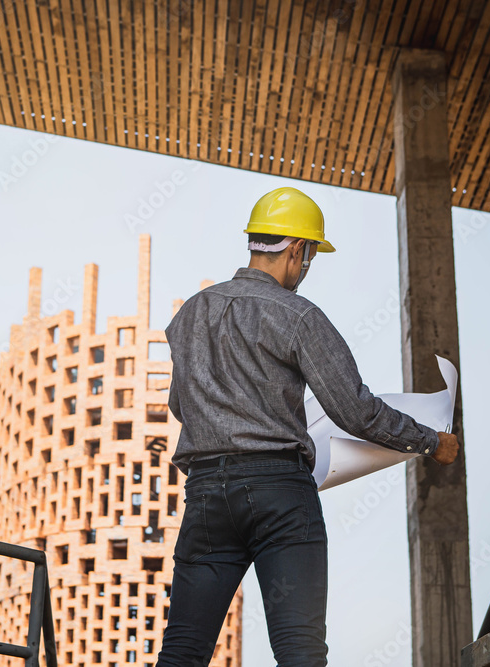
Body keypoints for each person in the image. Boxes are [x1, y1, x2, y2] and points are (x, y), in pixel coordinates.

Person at [154, 186, 461, 666]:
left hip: (208, 495)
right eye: (311, 255)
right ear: (296, 249)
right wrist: (430, 442)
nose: (307, 268)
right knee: (299, 650)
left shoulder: (192, 313)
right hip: (280, 493)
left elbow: (181, 405)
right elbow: (356, 411)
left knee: (184, 651)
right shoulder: (298, 315)